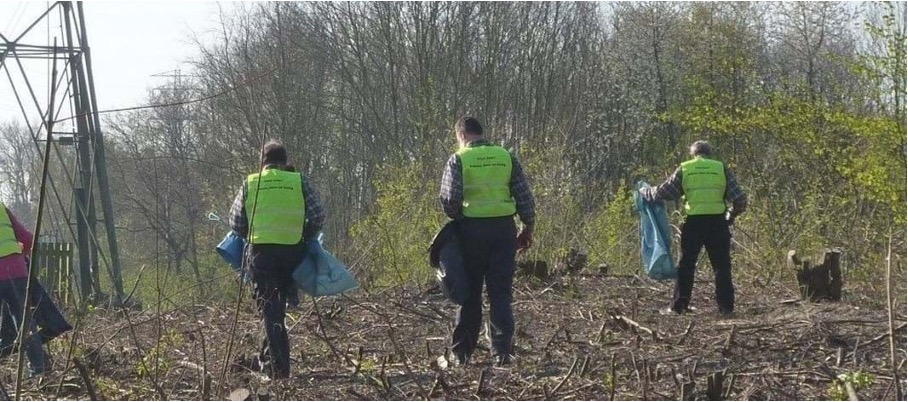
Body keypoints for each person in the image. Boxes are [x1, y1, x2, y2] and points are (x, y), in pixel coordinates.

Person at [439, 116, 536, 366]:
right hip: (504, 230)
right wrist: (527, 227)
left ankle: (461, 353)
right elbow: (524, 197)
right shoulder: (506, 156)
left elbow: (450, 200)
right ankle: (502, 353)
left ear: (461, 135)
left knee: (469, 293)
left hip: (471, 231)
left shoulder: (458, 159)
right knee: (501, 293)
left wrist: (460, 217)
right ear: (482, 133)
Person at [228, 141, 326, 379]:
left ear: (262, 161)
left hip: (261, 253)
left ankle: (280, 370)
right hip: (292, 252)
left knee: (271, 310)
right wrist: (306, 235)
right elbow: (317, 214)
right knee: (276, 309)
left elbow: (236, 222)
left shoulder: (251, 182)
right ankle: (268, 359)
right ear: (284, 161)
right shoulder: (298, 181)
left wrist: (250, 234)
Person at [640, 140, 747, 317]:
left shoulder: (686, 168)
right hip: (718, 223)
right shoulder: (721, 168)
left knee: (686, 265)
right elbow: (740, 199)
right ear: (709, 154)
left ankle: (679, 307)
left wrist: (645, 191)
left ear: (693, 154)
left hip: (694, 223)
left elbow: (663, 192)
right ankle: (726, 309)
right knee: (722, 266)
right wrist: (731, 215)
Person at [0, 204, 48, 375]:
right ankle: (38, 368)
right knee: (24, 321)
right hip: (16, 271)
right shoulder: (2, 209)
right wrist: (20, 255)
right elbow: (28, 240)